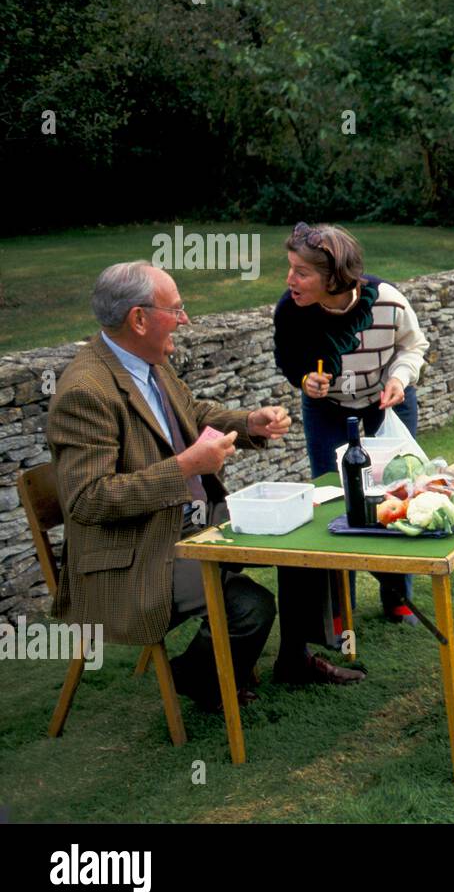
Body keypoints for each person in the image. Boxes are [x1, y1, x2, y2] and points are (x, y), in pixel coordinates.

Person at [46, 261, 292, 711]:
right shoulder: (86, 391)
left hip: (184, 527)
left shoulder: (147, 361)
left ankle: (299, 657)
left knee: (298, 543)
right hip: (132, 557)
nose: (185, 319)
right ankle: (194, 679)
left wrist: (249, 423)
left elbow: (191, 414)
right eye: (175, 309)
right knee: (249, 606)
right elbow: (88, 499)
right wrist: (183, 467)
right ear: (138, 319)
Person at [273, 222, 431, 635]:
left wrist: (400, 377)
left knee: (396, 492)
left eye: (301, 272)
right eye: (290, 268)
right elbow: (289, 359)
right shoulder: (290, 310)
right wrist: (305, 380)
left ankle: (398, 597)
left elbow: (412, 346)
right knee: (335, 499)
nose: (290, 279)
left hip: (386, 401)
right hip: (327, 409)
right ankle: (339, 607)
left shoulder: (388, 300)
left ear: (335, 276)